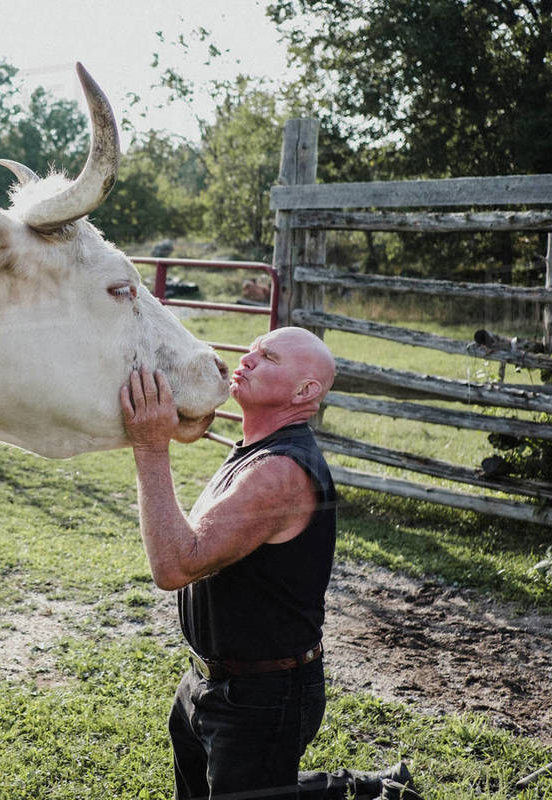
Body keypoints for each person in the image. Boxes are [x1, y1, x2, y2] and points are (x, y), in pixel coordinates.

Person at [119, 326, 420, 800]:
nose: (248, 358)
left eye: (269, 358)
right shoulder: (255, 449)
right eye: (253, 349)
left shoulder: (279, 472)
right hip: (209, 679)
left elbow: (175, 566)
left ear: (305, 392)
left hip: (262, 694)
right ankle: (363, 790)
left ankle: (369, 795)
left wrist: (151, 447)